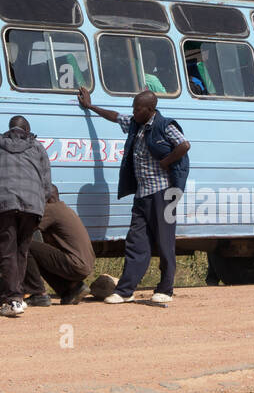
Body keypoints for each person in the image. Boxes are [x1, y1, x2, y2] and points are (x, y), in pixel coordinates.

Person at [76, 87, 190, 306]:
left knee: (165, 243)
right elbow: (115, 117)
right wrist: (91, 106)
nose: (133, 112)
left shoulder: (165, 126)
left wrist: (166, 162)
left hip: (163, 193)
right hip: (143, 194)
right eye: (134, 108)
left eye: (137, 109)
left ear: (150, 109)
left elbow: (184, 145)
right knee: (136, 242)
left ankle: (166, 289)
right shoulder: (136, 124)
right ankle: (126, 290)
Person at [0, 115, 51, 317]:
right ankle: (18, 296)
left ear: (10, 128)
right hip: (31, 205)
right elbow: (46, 184)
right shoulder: (38, 147)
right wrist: (38, 204)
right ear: (27, 129)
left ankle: (13, 299)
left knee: (7, 250)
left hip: (3, 203)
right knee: (21, 251)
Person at [21, 184, 96, 306]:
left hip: (75, 265)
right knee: (41, 255)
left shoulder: (51, 210)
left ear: (46, 199)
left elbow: (25, 229)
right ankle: (72, 288)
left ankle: (38, 294)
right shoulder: (64, 208)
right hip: (83, 264)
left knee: (25, 246)